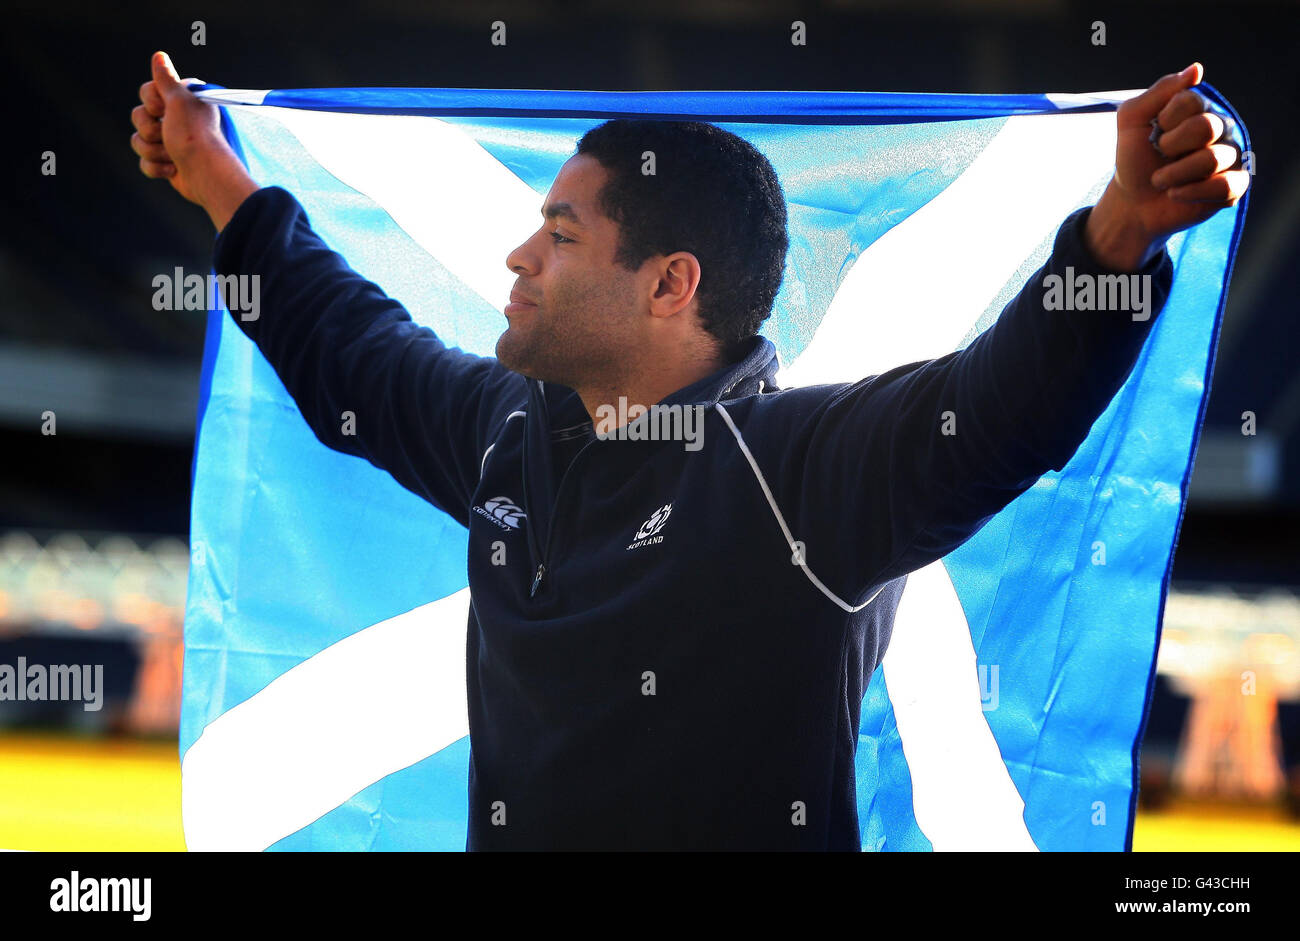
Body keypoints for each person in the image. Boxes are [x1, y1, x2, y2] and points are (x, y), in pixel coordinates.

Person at [133, 51, 1248, 850]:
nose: (520, 256)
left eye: (562, 234)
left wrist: (1115, 235)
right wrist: (215, 182)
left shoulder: (800, 467)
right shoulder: (505, 438)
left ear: (672, 284)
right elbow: (348, 347)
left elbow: (1001, 406)